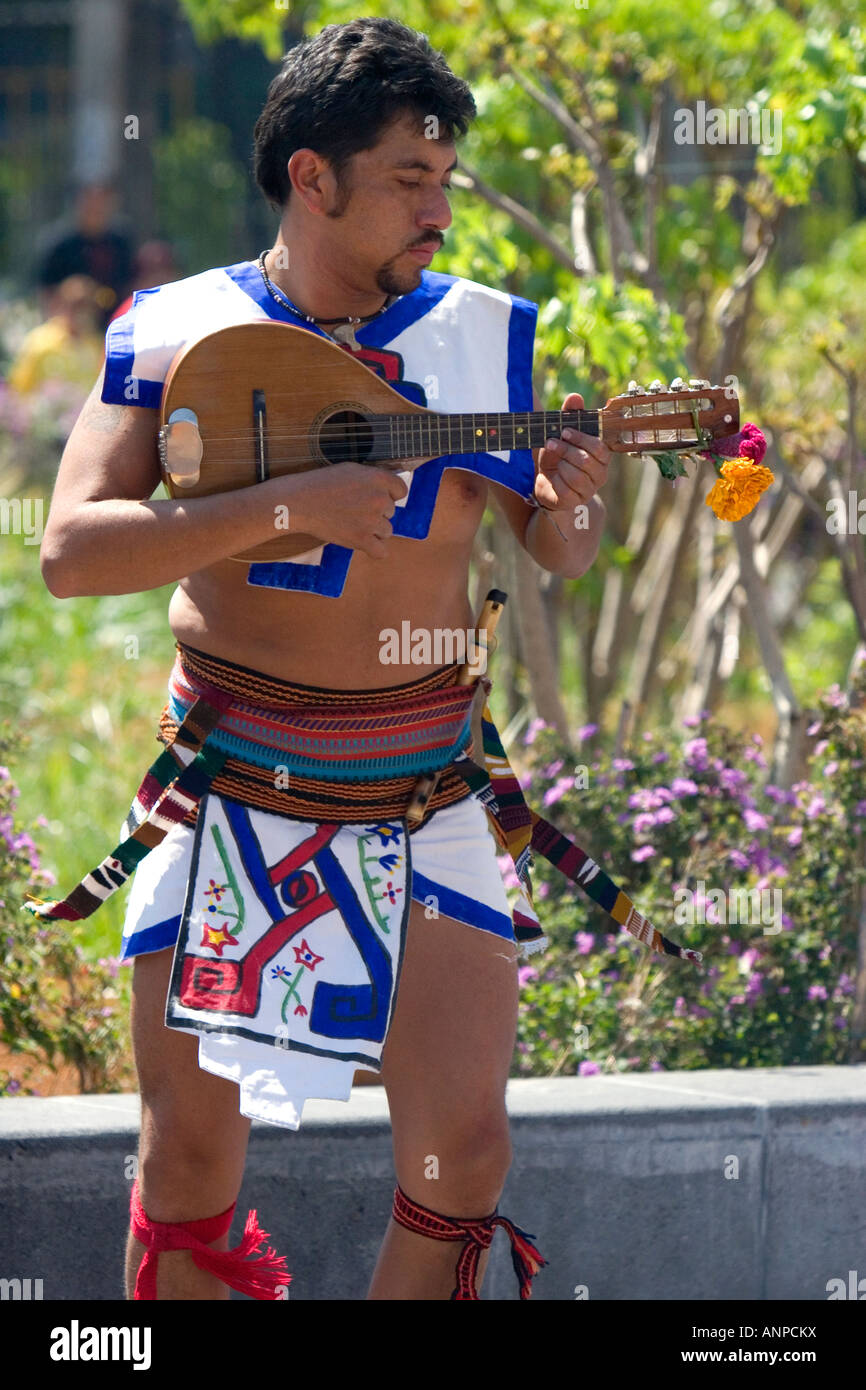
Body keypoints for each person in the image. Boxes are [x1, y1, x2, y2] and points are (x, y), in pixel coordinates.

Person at [36, 18, 616, 1302]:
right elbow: (69, 550)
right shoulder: (170, 325)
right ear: (312, 176)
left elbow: (555, 547)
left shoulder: (485, 336)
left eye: (447, 183)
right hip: (231, 776)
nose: (440, 213)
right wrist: (287, 506)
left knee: (462, 1153)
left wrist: (574, 502)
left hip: (426, 780)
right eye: (411, 182)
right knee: (187, 1164)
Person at [35, 183, 134, 327]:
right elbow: (46, 292)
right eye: (90, 202)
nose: (96, 208)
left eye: (101, 203)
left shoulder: (121, 243)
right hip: (69, 329)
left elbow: (128, 285)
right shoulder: (60, 245)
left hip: (115, 324)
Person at [6, 275, 105, 397]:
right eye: (76, 305)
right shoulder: (40, 341)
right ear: (63, 305)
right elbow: (19, 388)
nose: (82, 313)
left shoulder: (98, 345)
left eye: (87, 306)